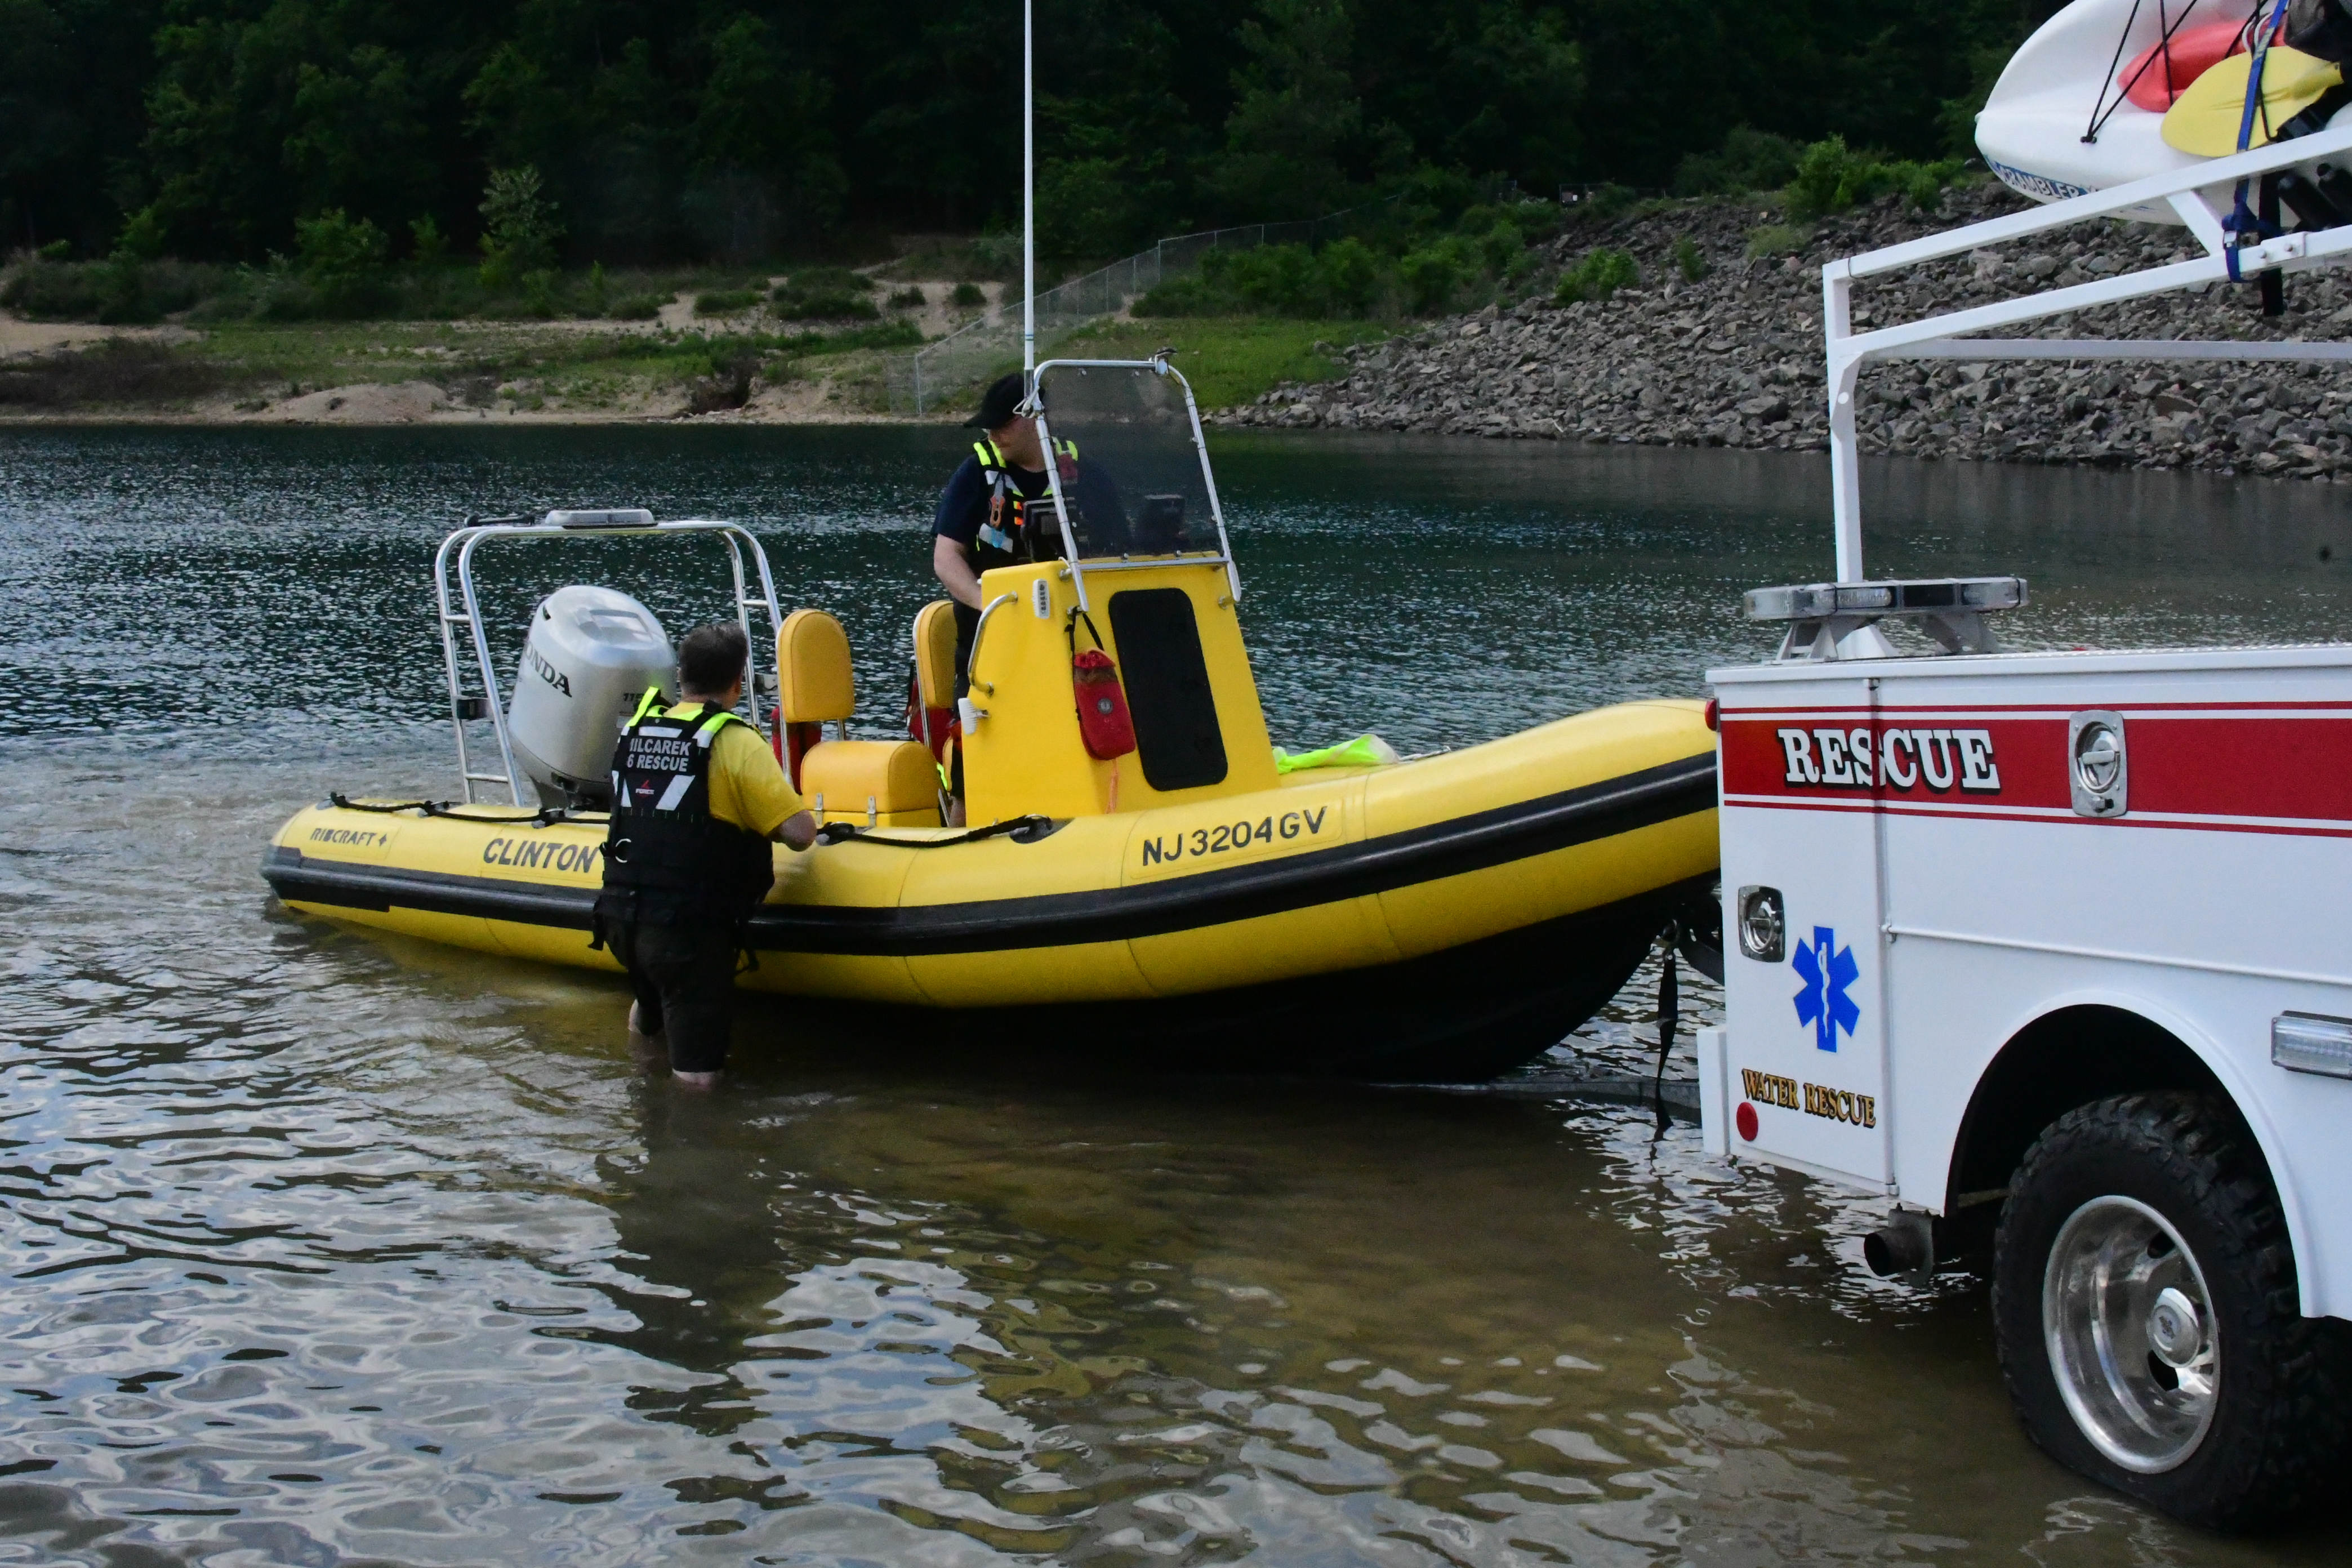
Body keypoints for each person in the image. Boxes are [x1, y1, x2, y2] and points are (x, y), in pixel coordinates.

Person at [595, 622, 816, 1089]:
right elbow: (800, 834)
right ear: (738, 682)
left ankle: (640, 1089)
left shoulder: (636, 732)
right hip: (686, 930)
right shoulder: (734, 742)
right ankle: (692, 1143)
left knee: (649, 1012)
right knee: (698, 1081)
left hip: (621, 918)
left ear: (681, 676)